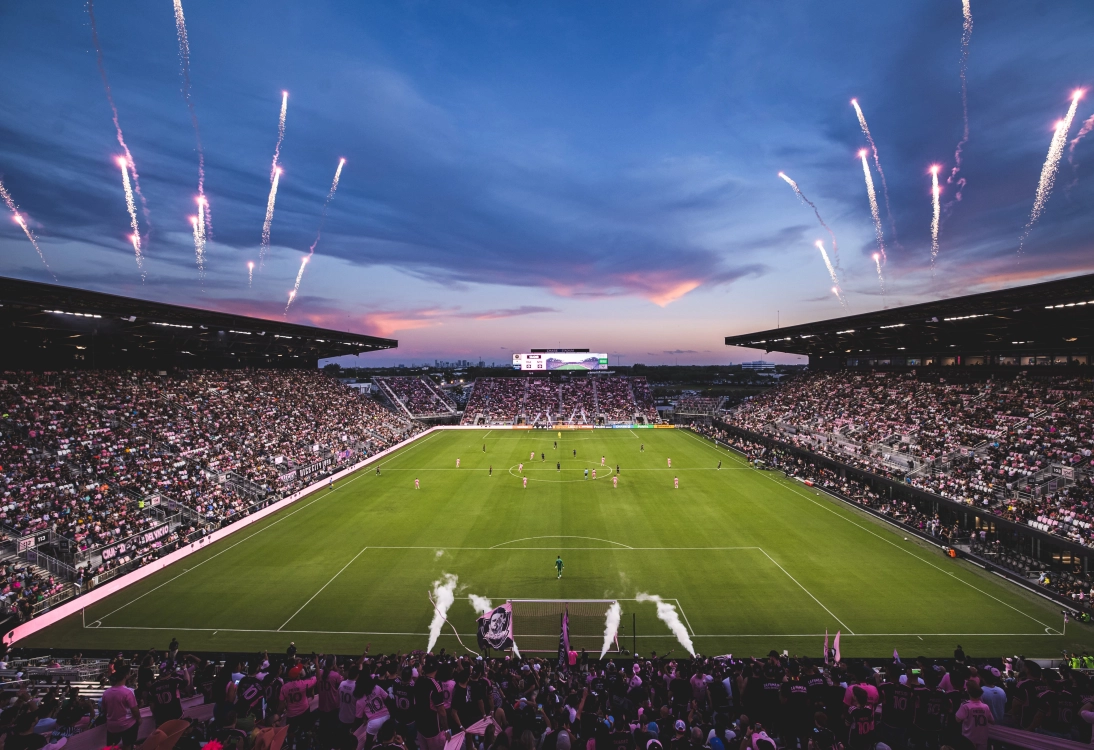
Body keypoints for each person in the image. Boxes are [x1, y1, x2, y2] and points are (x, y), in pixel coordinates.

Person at [102, 665, 141, 750]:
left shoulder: (106, 693)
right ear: (125, 677)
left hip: (111, 726)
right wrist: (139, 719)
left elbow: (104, 710)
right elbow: (134, 710)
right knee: (128, 745)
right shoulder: (128, 692)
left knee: (112, 747)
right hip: (127, 724)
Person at [955, 682, 993, 750]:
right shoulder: (985, 707)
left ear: (968, 692)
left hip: (968, 739)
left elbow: (958, 719)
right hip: (982, 738)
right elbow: (992, 721)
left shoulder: (965, 705)